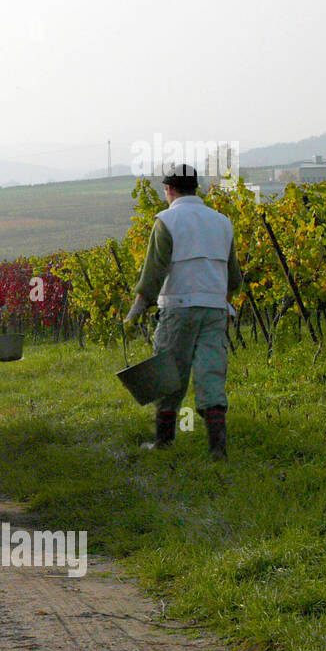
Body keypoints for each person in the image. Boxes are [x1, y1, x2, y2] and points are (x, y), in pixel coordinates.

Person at [124, 163, 243, 458]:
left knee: (170, 375)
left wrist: (134, 313)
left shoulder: (167, 220)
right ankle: (218, 448)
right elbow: (235, 277)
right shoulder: (222, 222)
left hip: (178, 308)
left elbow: (153, 273)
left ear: (169, 190)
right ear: (196, 189)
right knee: (211, 373)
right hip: (215, 309)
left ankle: (163, 442)